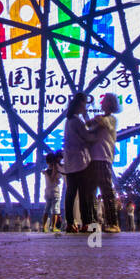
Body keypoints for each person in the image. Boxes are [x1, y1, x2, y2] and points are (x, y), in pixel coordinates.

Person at [62, 94, 97, 232]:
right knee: (84, 194)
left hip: (70, 163)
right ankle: (86, 223)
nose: (85, 107)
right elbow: (87, 137)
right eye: (84, 104)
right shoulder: (77, 121)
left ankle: (70, 223)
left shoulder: (69, 120)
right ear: (79, 105)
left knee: (70, 193)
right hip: (81, 163)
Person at [86, 93, 121, 232]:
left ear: (110, 104)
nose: (102, 103)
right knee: (92, 192)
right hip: (95, 158)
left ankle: (114, 223)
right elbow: (89, 126)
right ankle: (94, 223)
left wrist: (91, 117)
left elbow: (100, 122)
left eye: (104, 101)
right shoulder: (103, 119)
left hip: (103, 158)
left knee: (107, 191)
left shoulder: (111, 119)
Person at [42, 153, 63, 233]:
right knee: (56, 210)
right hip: (55, 191)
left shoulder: (46, 171)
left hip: (47, 191)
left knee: (46, 209)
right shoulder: (55, 170)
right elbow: (55, 179)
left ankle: (44, 227)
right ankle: (53, 227)